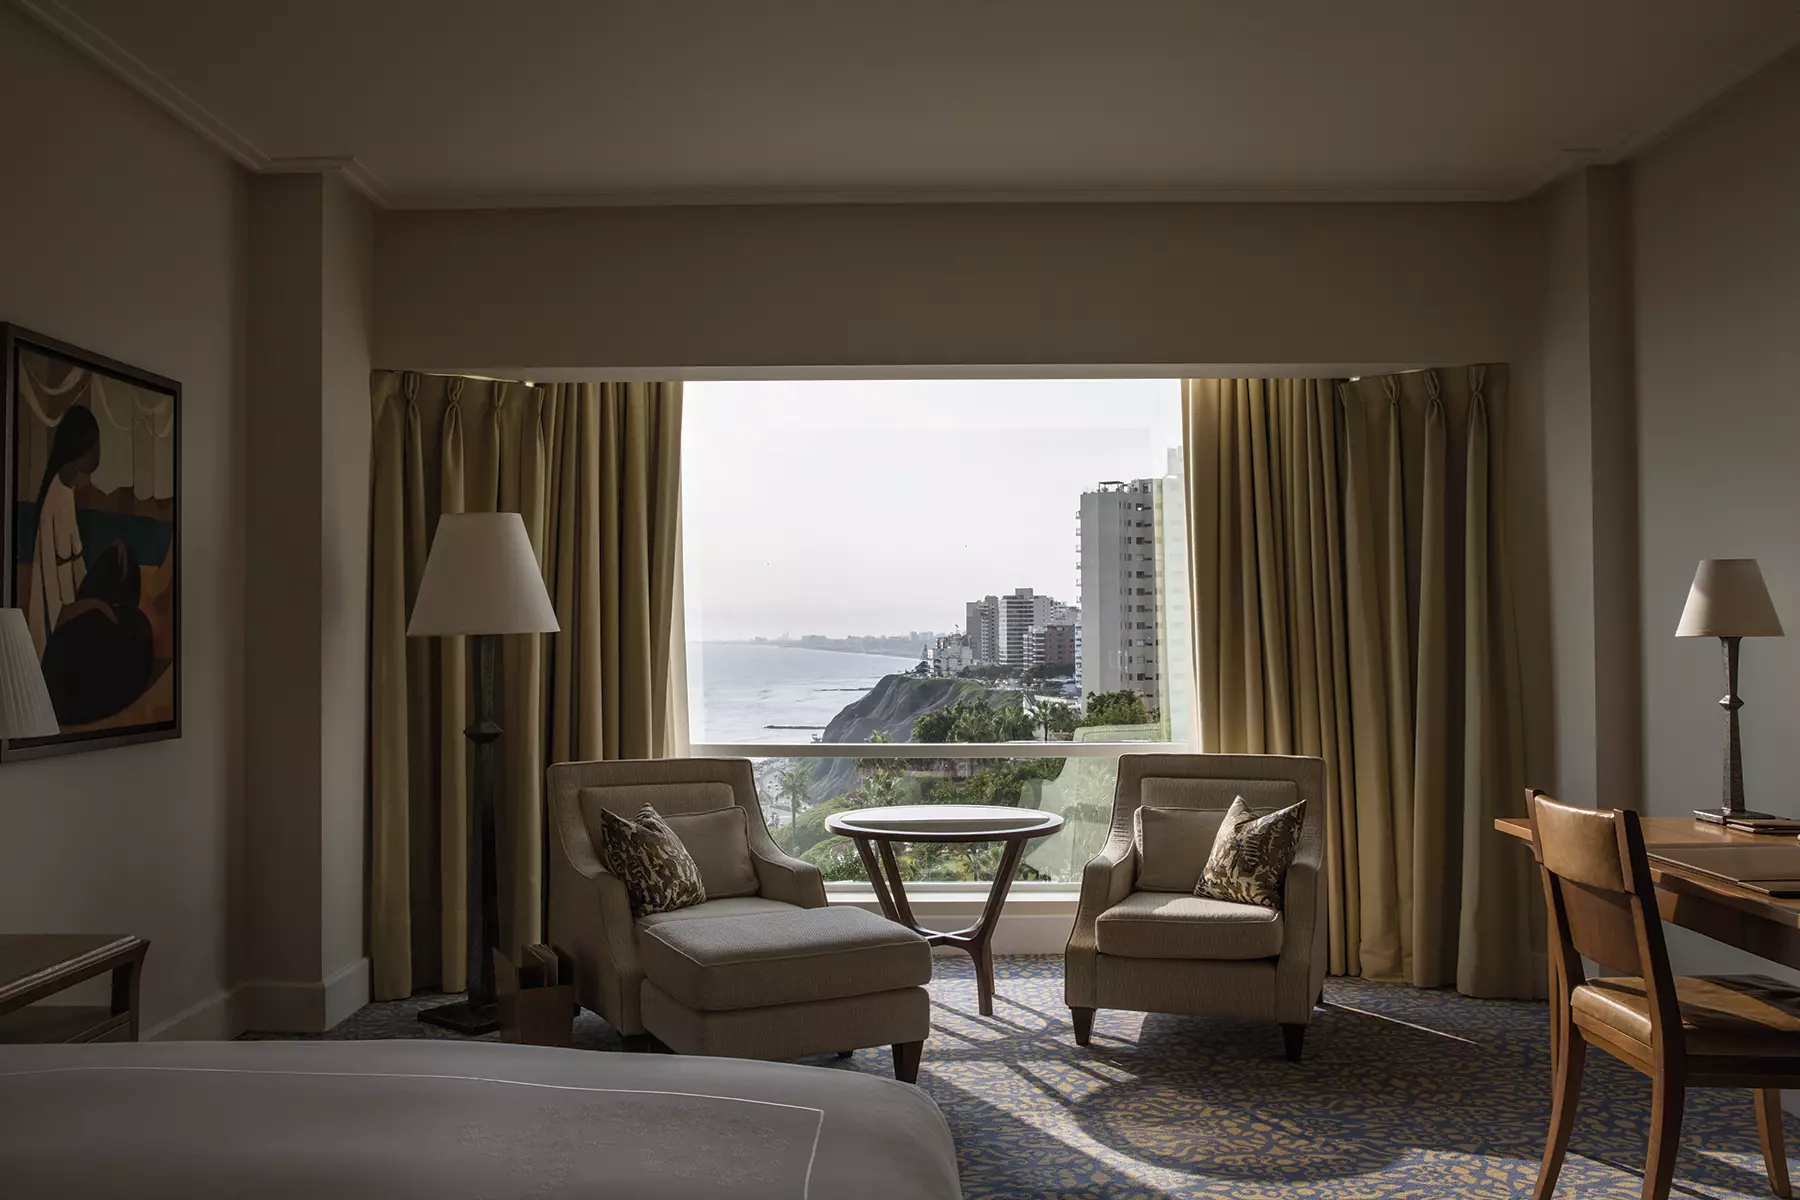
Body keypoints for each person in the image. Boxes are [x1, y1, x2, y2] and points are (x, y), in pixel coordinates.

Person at [25, 405, 99, 656]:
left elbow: (76, 560)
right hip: (53, 621)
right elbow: (50, 586)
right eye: (95, 444)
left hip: (68, 608)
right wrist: (79, 610)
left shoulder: (66, 491)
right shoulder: (54, 498)